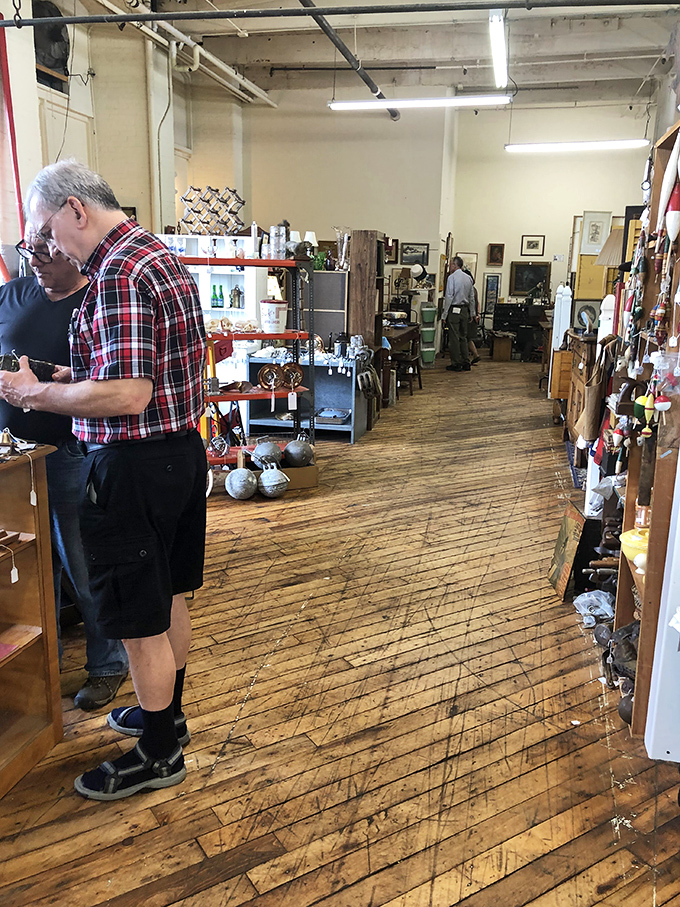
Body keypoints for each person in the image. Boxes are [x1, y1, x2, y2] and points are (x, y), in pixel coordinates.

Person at [0, 160, 207, 801]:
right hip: (177, 456)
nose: (48, 247)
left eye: (46, 231)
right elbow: (140, 371)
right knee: (167, 595)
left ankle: (159, 753)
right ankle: (165, 716)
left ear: (75, 210)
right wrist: (61, 376)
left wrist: (34, 395)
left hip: (132, 466)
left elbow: (127, 393)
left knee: (138, 617)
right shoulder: (154, 255)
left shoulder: (116, 273)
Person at [0, 231, 129, 709]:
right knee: (28, 571)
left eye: (45, 251)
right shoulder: (9, 296)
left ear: (70, 249)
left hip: (72, 452)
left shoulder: (98, 300)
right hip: (14, 459)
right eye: (28, 251)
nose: (35, 261)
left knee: (84, 564)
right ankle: (42, 666)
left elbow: (114, 382)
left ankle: (108, 663)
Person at [442, 256, 474, 371]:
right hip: (464, 310)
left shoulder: (452, 278)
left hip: (454, 310)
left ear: (455, 265)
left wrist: (444, 314)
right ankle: (466, 361)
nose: (449, 266)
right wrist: (472, 313)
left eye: (451, 264)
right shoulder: (468, 278)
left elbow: (449, 296)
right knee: (463, 337)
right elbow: (471, 297)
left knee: (454, 337)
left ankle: (456, 363)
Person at [462, 267, 482, 366]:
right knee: (468, 338)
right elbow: (477, 303)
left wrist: (473, 314)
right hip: (473, 316)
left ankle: (469, 356)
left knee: (465, 338)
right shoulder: (474, 289)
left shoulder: (469, 290)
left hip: (469, 316)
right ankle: (475, 355)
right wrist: (478, 314)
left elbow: (471, 303)